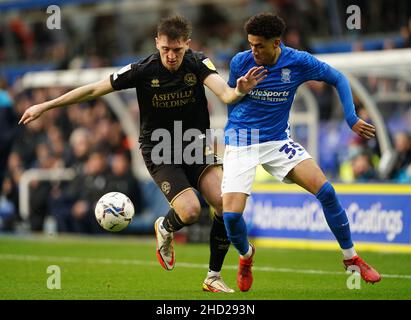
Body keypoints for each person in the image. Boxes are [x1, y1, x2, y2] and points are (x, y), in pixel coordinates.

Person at [19, 15, 266, 293]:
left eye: (177, 50)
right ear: (156, 44)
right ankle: (165, 227)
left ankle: (213, 276)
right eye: (165, 50)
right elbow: (92, 89)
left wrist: (239, 90)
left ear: (187, 44)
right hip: (160, 149)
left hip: (195, 145)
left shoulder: (197, 63)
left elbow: (225, 94)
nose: (171, 56)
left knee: (222, 202)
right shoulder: (142, 70)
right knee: (191, 211)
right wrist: (46, 105)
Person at [221, 13, 381, 292]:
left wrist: (351, 117)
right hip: (241, 139)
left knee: (327, 192)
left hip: (276, 141)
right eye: (250, 44)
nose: (253, 51)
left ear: (277, 43)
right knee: (232, 218)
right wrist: (240, 95)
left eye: (259, 45)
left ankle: (351, 259)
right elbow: (230, 101)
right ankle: (246, 256)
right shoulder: (240, 62)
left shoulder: (298, 61)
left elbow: (339, 78)